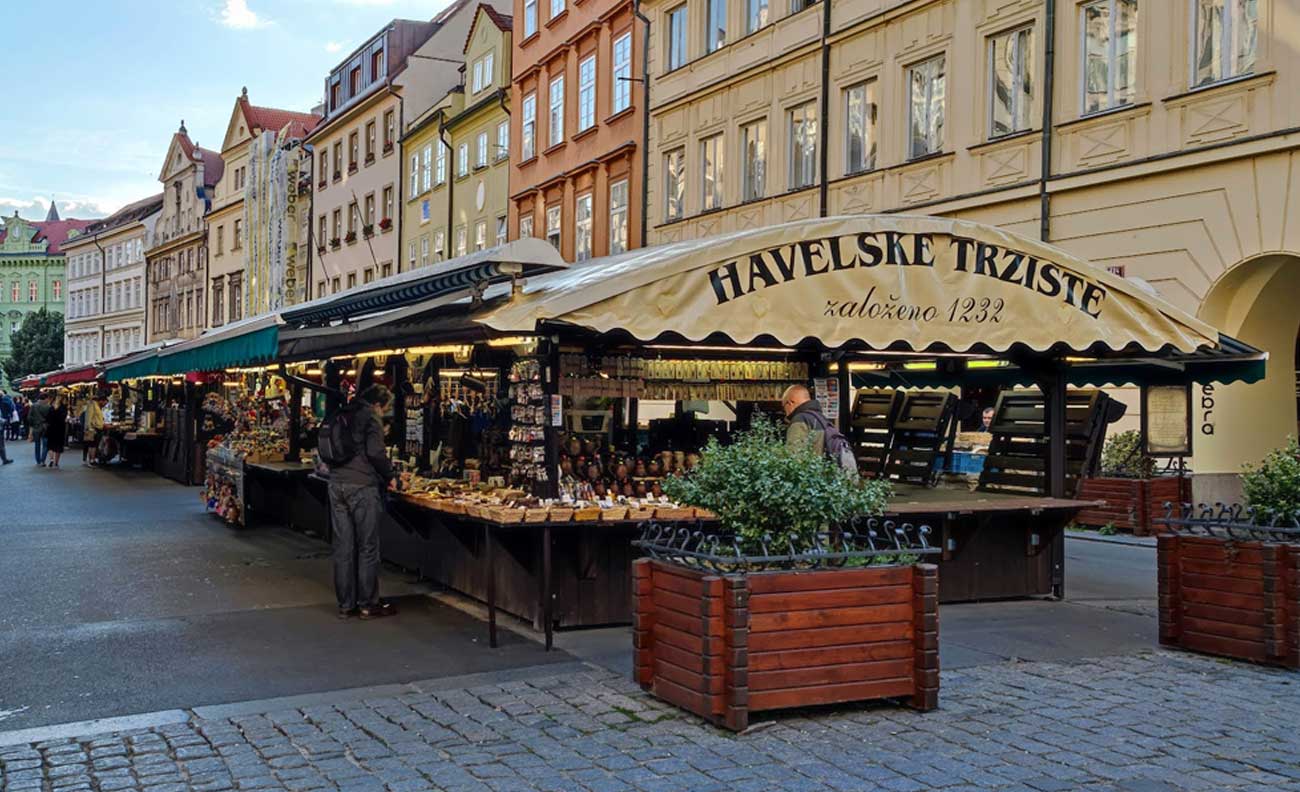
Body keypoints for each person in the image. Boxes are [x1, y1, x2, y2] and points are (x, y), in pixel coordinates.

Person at [326, 384, 399, 621]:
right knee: (367, 547)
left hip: (336, 484)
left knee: (343, 546)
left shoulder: (342, 412)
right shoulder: (370, 418)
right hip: (361, 486)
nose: (384, 413)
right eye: (385, 408)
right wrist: (391, 476)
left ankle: (346, 605)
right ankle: (368, 604)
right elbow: (376, 453)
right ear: (378, 404)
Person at [781, 384, 858, 476]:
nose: (785, 412)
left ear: (790, 403)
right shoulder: (822, 419)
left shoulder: (799, 420)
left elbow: (794, 459)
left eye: (784, 407)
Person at [27, 392, 51, 467]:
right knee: (46, 445)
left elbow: (29, 418)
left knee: (37, 445)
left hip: (36, 427)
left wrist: (33, 424)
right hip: (45, 427)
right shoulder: (48, 407)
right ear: (46, 398)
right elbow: (50, 418)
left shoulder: (33, 406)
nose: (48, 400)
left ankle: (38, 461)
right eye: (48, 398)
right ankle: (42, 460)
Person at [82, 395, 106, 465]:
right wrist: (89, 428)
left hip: (96, 428)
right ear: (101, 400)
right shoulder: (92, 406)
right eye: (105, 402)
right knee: (92, 445)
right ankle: (91, 460)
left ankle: (92, 459)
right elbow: (89, 417)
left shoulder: (97, 406)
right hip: (93, 428)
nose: (105, 404)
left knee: (94, 445)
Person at [46, 395, 68, 468]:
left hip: (51, 429)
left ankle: (51, 459)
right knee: (58, 446)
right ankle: (56, 463)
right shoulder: (63, 408)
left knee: (50, 446)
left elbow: (47, 418)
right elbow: (65, 418)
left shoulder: (51, 408)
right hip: (60, 429)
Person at [0, 390, 14, 464]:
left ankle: (4, 459)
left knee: (1, 444)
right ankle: (4, 459)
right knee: (1, 444)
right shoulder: (4, 401)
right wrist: (4, 421)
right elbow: (11, 407)